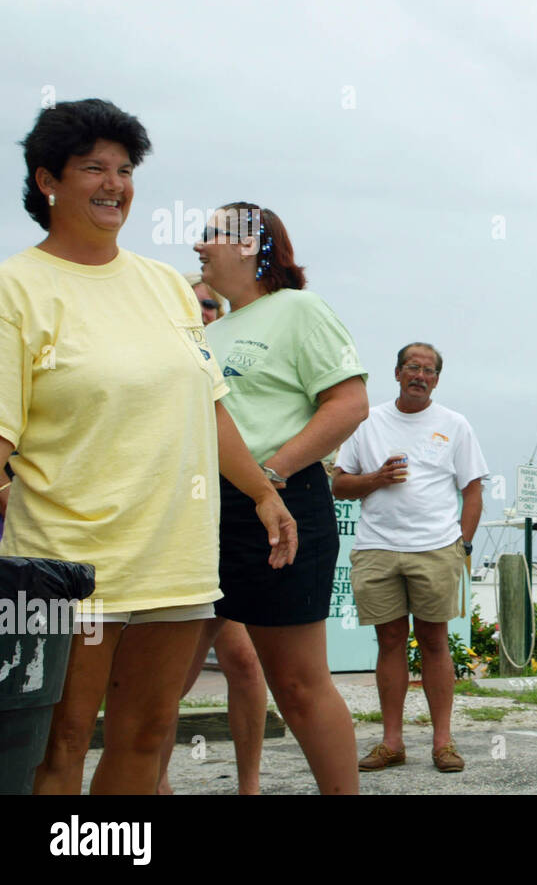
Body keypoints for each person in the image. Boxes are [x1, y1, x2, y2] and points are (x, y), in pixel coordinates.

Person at [0, 100, 296, 795]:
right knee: (63, 742)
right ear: (48, 180)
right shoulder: (16, 288)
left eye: (125, 169)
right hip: (70, 566)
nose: (114, 184)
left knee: (146, 736)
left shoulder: (165, 285)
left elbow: (207, 402)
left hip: (176, 556)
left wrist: (261, 492)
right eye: (93, 167)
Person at [194, 201, 369, 794]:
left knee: (296, 685)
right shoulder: (206, 331)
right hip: (200, 513)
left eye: (209, 235)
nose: (198, 246)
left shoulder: (299, 310)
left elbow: (348, 404)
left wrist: (269, 474)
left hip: (282, 506)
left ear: (249, 244)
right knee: (156, 683)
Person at [332, 342, 487, 773]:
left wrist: (464, 545)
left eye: (429, 371)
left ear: (437, 379)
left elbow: (473, 491)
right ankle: (392, 742)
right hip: (377, 547)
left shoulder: (455, 425)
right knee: (390, 642)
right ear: (397, 373)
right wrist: (377, 478)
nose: (420, 376)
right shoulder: (368, 422)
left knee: (436, 642)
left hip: (436, 548)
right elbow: (339, 485)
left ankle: (443, 742)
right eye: (412, 368)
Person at [154, 273, 270, 795]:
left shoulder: (232, 367)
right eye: (196, 305)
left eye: (211, 306)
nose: (204, 313)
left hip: (227, 524)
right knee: (167, 673)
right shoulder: (161, 361)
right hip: (171, 528)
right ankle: (152, 779)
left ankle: (250, 785)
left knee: (244, 662)